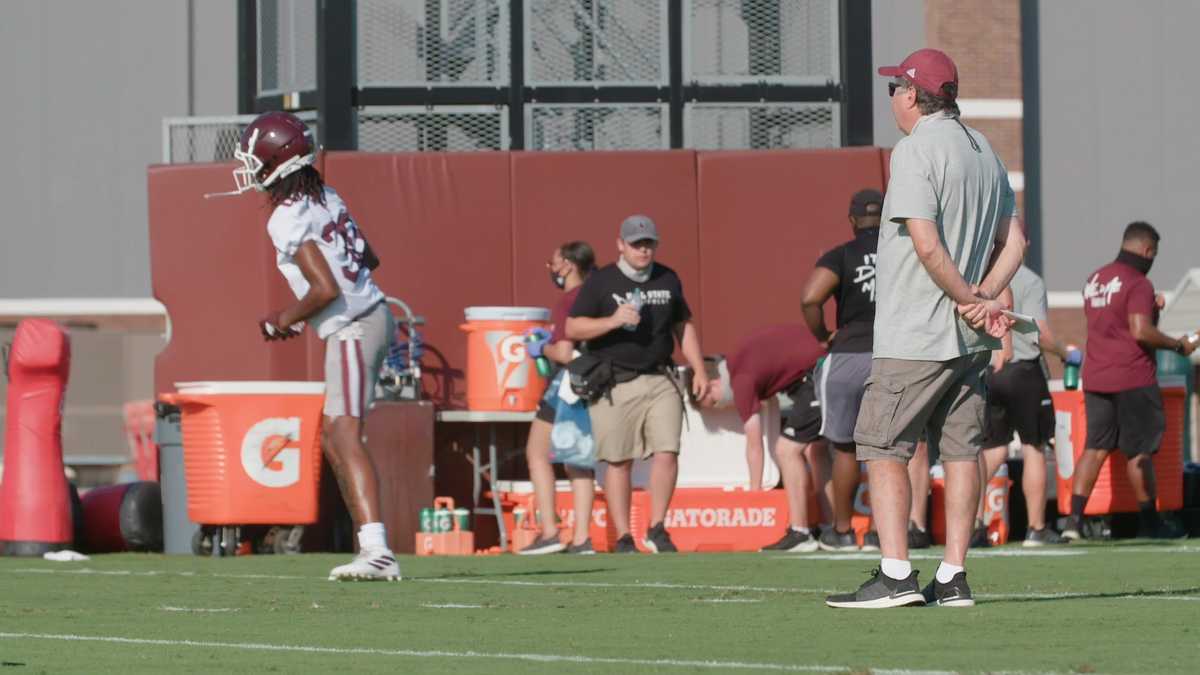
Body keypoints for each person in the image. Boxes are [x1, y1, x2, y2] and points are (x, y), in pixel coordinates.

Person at [825, 49, 1025, 609]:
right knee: (962, 451)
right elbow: (1017, 243)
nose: (892, 96)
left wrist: (967, 297)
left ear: (913, 94)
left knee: (882, 444)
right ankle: (953, 577)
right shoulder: (984, 148)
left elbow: (925, 240)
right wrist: (984, 298)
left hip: (916, 332)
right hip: (968, 342)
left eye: (895, 87)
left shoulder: (915, 150)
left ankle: (894, 576)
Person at [231, 111, 399, 581]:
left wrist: (282, 317)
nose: (250, 167)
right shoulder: (325, 195)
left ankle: (377, 549)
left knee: (344, 434)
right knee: (332, 436)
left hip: (352, 325)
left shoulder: (286, 216)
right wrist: (306, 312)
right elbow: (368, 258)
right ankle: (369, 544)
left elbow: (325, 289)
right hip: (371, 313)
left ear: (275, 161)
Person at [566, 215, 708, 553]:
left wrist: (700, 369)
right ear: (620, 244)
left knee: (667, 450)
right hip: (615, 380)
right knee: (618, 460)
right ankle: (624, 536)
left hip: (660, 376)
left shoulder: (668, 277)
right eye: (636, 244)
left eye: (649, 244)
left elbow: (682, 327)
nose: (643, 250)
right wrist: (612, 320)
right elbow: (573, 328)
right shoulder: (601, 282)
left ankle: (658, 527)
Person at [801, 188, 933, 552]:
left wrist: (824, 335)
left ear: (852, 220)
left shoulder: (841, 255)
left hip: (847, 355)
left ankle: (841, 531)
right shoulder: (905, 251)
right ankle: (883, 532)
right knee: (893, 448)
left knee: (844, 449)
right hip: (895, 355)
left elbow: (810, 297)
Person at [1063, 222, 1193, 541]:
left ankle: (1073, 524)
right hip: (1132, 377)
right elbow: (1138, 331)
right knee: (1139, 452)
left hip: (1095, 375)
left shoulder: (1095, 280)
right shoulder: (1139, 283)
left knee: (1094, 448)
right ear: (1147, 251)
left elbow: (1114, 324)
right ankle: (1151, 524)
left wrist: (1152, 311)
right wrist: (1178, 344)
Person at [974, 264, 1078, 547]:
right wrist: (1063, 350)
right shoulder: (1029, 280)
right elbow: (1039, 332)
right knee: (1034, 446)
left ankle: (975, 524)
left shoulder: (980, 273)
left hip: (991, 372)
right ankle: (1036, 527)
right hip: (1023, 370)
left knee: (993, 450)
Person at [698, 324, 827, 552]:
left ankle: (800, 531)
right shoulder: (738, 359)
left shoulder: (741, 380)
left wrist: (755, 494)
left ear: (714, 384)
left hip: (815, 372)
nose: (721, 408)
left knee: (786, 450)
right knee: (814, 450)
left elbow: (755, 445)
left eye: (715, 403)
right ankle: (832, 530)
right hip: (825, 363)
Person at [519, 242, 599, 555]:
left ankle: (550, 530)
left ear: (566, 265)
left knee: (536, 453)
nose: (551, 269)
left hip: (567, 384)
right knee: (578, 461)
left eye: (553, 262)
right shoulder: (597, 296)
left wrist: (541, 348)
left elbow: (564, 352)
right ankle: (581, 538)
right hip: (593, 381)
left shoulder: (569, 300)